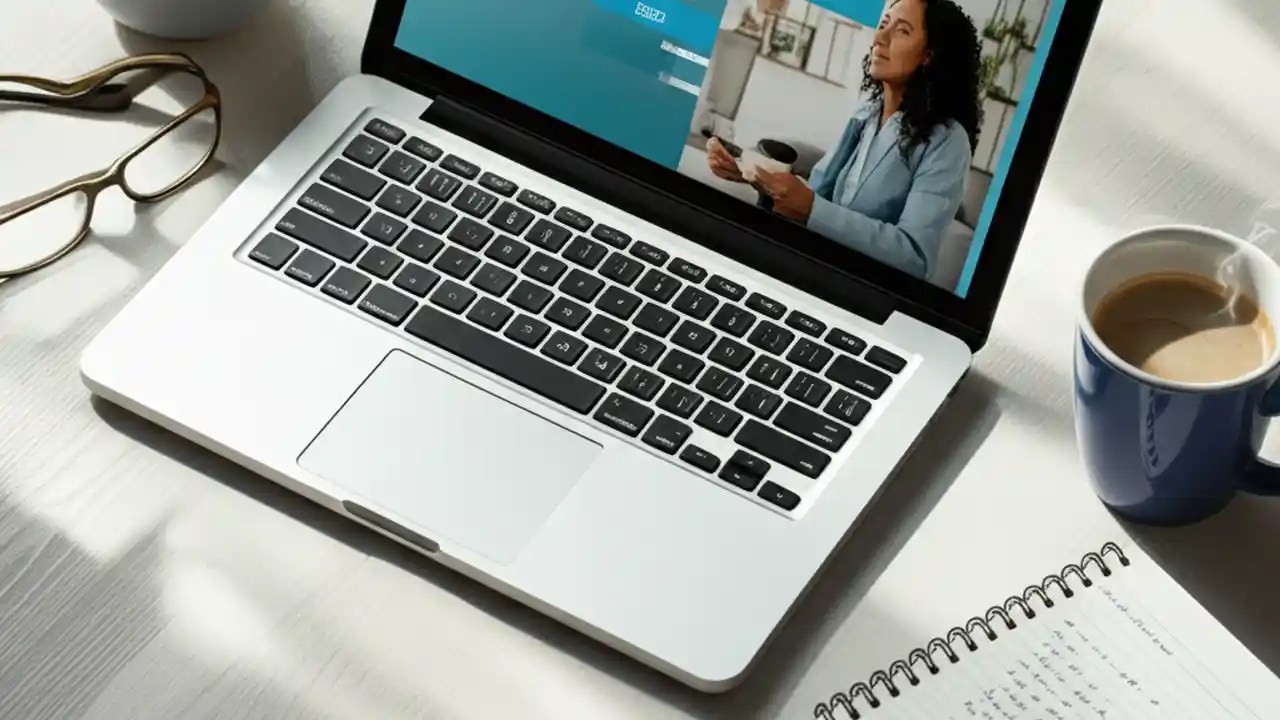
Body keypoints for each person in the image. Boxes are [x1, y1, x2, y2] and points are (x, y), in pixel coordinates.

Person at [707, 0, 982, 280]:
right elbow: (817, 191)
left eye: (901, 31)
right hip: (809, 264)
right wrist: (755, 174)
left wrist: (811, 209)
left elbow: (913, 257)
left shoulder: (948, 142)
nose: (879, 38)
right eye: (883, 25)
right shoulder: (868, 113)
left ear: (929, 55)